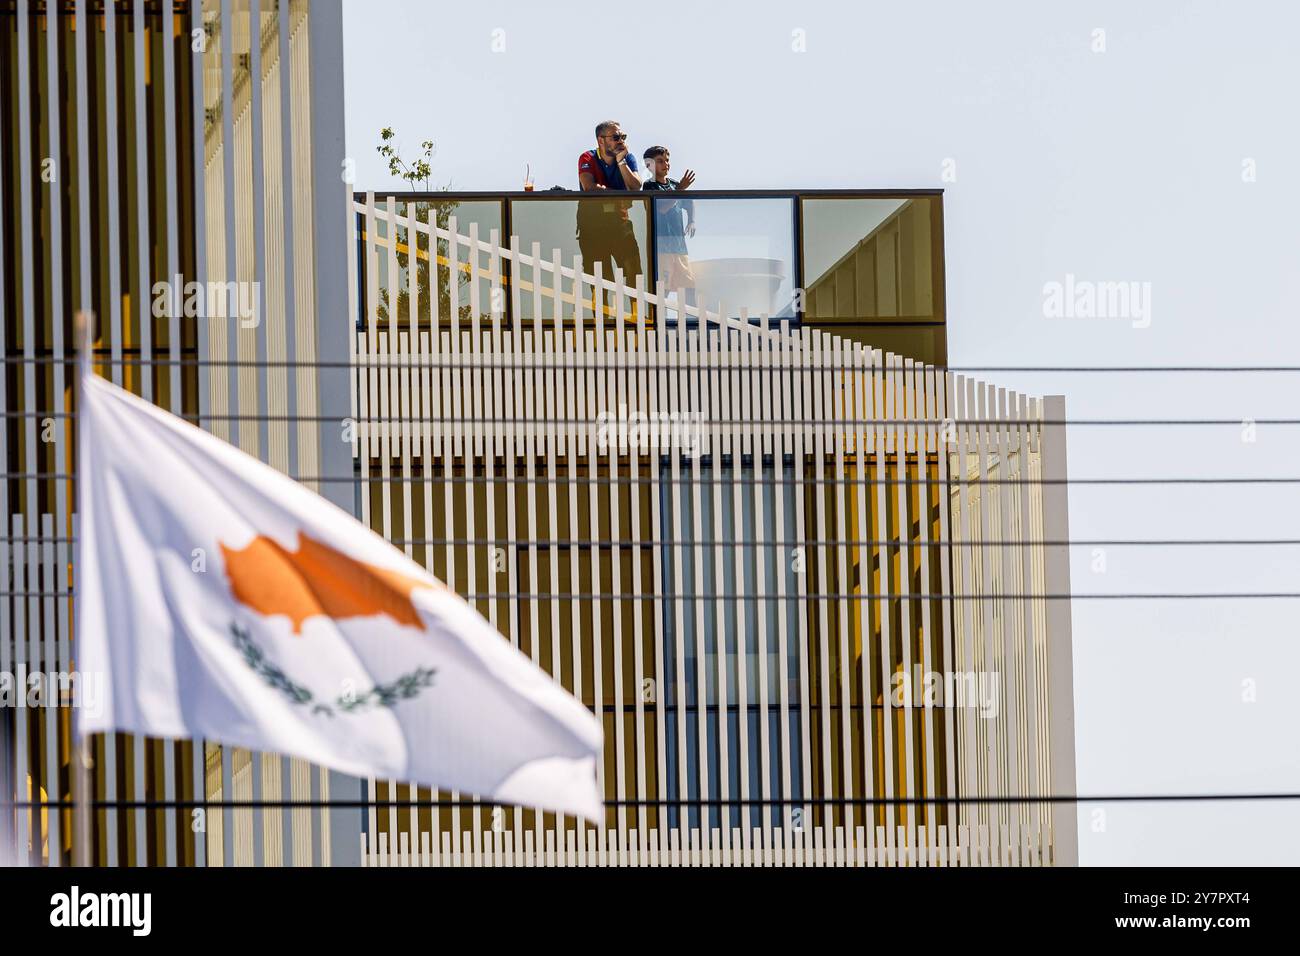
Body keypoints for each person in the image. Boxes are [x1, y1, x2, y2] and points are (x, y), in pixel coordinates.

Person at [576, 121, 643, 292]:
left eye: (623, 137)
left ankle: (637, 316)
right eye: (615, 137)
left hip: (620, 224)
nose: (620, 141)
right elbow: (589, 188)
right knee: (600, 279)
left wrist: (621, 163)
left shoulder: (627, 158)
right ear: (601, 140)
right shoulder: (587, 157)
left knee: (634, 272)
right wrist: (621, 194)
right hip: (592, 226)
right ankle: (603, 317)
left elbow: (636, 187)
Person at [641, 145, 697, 300]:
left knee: (689, 287)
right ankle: (658, 320)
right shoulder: (650, 185)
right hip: (662, 247)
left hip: (679, 246)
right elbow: (661, 208)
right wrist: (679, 190)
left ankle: (691, 321)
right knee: (663, 288)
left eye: (667, 160)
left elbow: (689, 201)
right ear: (649, 165)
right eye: (660, 161)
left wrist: (691, 220)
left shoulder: (674, 184)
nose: (666, 164)